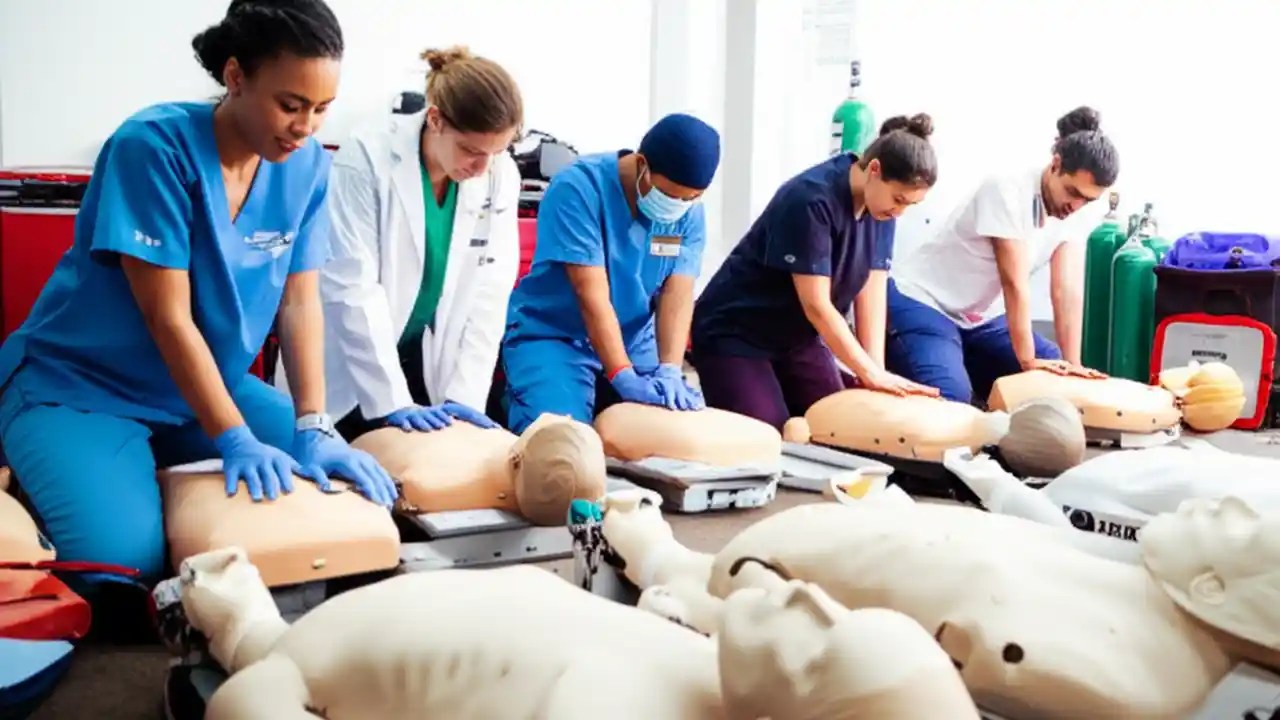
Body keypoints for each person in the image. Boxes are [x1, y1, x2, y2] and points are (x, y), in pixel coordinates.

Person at [0, 0, 397, 589]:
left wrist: (313, 423)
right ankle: (43, 461)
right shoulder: (153, 148)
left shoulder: (307, 163)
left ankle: (143, 469)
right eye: (290, 105)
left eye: (321, 109)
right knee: (122, 566)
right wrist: (232, 436)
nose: (306, 127)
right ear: (235, 77)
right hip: (84, 388)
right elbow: (168, 318)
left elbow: (300, 301)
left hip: (204, 386)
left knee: (342, 487)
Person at [308, 45, 523, 439]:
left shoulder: (499, 174)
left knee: (455, 456)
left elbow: (489, 296)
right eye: (472, 150)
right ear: (436, 120)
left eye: (497, 151)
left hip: (426, 359)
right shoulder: (367, 155)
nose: (483, 168)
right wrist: (392, 401)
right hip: (354, 364)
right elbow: (351, 287)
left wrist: (465, 396)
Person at [689, 115, 940, 430]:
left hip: (797, 337)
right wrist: (868, 373)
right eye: (899, 199)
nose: (899, 212)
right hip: (737, 332)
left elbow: (872, 291)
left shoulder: (883, 209)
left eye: (910, 205)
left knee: (838, 427)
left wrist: (875, 374)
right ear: (874, 170)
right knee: (772, 434)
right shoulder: (811, 199)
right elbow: (817, 305)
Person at [500, 113, 721, 434]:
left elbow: (678, 292)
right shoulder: (578, 188)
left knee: (673, 434)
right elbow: (592, 296)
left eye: (691, 198)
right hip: (556, 335)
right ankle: (522, 397)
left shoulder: (687, 210)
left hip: (635, 339)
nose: (678, 206)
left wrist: (670, 368)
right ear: (642, 164)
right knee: (561, 443)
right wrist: (622, 375)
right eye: (671, 196)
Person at [885, 106, 1117, 405]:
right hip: (925, 301)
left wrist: (1073, 370)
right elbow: (1014, 283)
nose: (1076, 205)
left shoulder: (1076, 213)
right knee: (951, 397)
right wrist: (1028, 361)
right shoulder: (1007, 190)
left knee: (1054, 374)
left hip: (980, 320)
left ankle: (958, 358)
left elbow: (1066, 292)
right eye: (1072, 192)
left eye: (1088, 199)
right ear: (1056, 165)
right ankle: (928, 356)